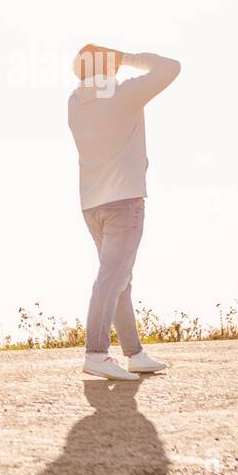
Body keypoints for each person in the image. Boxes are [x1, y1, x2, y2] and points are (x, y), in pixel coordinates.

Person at [68, 44, 181, 381]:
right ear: (110, 66)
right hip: (124, 202)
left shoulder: (74, 102)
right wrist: (127, 57)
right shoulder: (123, 94)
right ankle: (96, 353)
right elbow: (171, 67)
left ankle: (134, 353)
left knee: (119, 280)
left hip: (92, 204)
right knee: (112, 278)